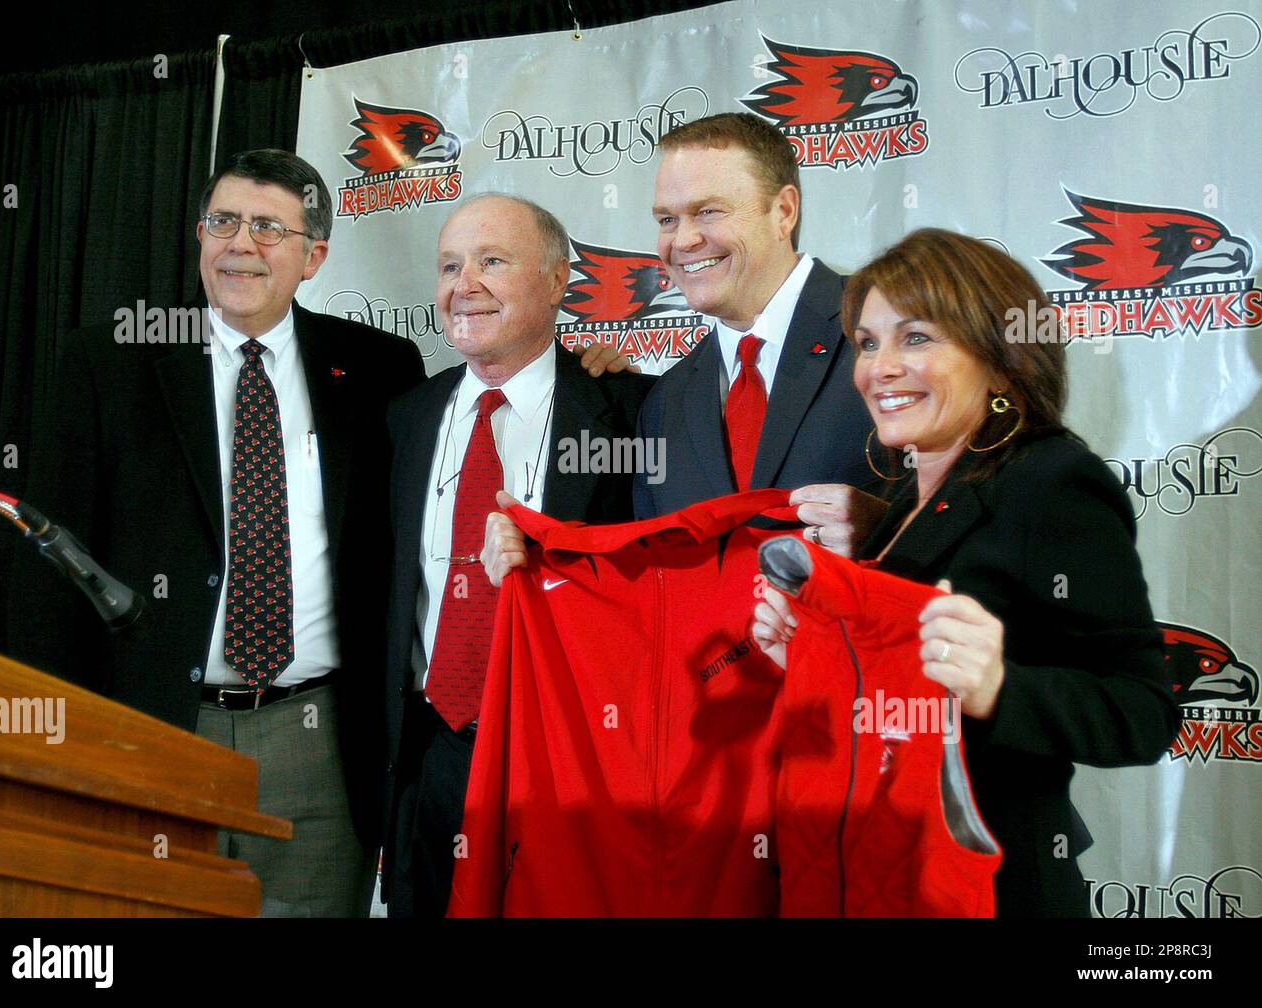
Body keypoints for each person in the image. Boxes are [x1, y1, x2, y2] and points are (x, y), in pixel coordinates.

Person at [9, 149, 426, 916]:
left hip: (320, 746)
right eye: (224, 222)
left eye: (269, 227)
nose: (241, 243)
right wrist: (55, 750)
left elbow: (478, 417)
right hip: (154, 734)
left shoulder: (379, 368)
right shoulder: (109, 362)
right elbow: (50, 579)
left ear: (315, 255)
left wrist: (597, 378)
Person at [751, 227, 1182, 916]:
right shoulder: (892, 495)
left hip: (997, 891)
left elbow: (1144, 714)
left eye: (915, 337)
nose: (878, 367)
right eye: (867, 343)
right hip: (872, 878)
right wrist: (797, 655)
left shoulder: (1050, 479)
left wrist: (996, 687)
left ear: (1001, 358)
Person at [383, 193, 655, 917]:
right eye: (449, 265)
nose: (462, 285)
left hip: (569, 756)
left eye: (492, 261)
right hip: (432, 753)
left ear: (559, 279)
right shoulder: (404, 418)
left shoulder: (631, 411)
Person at [638, 112, 885, 549]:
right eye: (667, 220)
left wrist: (888, 530)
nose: (683, 240)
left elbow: (986, 510)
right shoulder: (664, 403)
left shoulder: (887, 330)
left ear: (783, 212)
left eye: (708, 211)